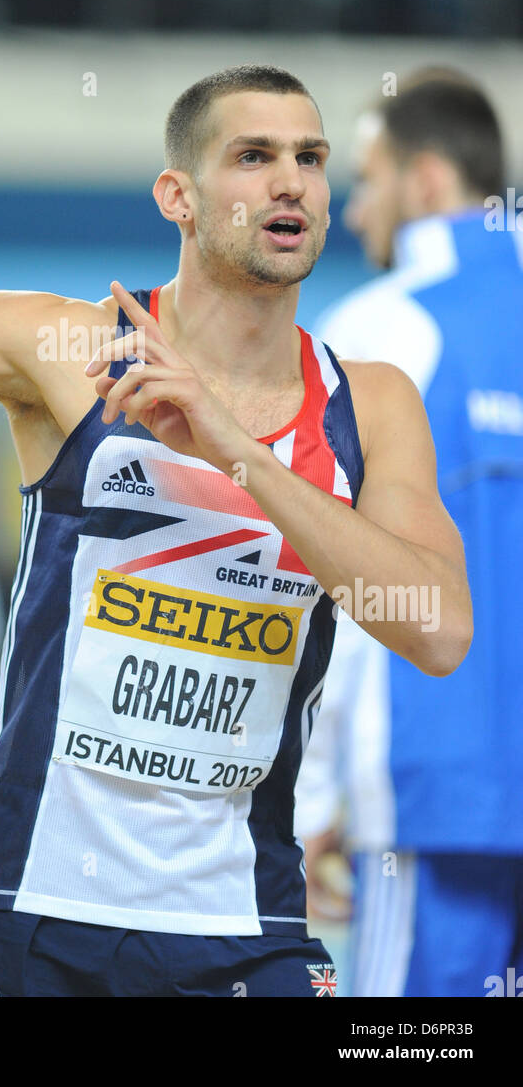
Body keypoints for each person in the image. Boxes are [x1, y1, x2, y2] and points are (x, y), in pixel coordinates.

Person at [0, 64, 471, 999]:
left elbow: (436, 630)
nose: (292, 182)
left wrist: (242, 454)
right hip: (30, 912)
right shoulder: (67, 349)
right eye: (254, 156)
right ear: (178, 197)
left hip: (241, 926)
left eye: (311, 158)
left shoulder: (373, 403)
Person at [295, 71, 523, 997]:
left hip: (436, 786)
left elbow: (339, 580)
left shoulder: (382, 328)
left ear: (426, 181)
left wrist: (309, 796)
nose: (351, 212)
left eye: (367, 178)